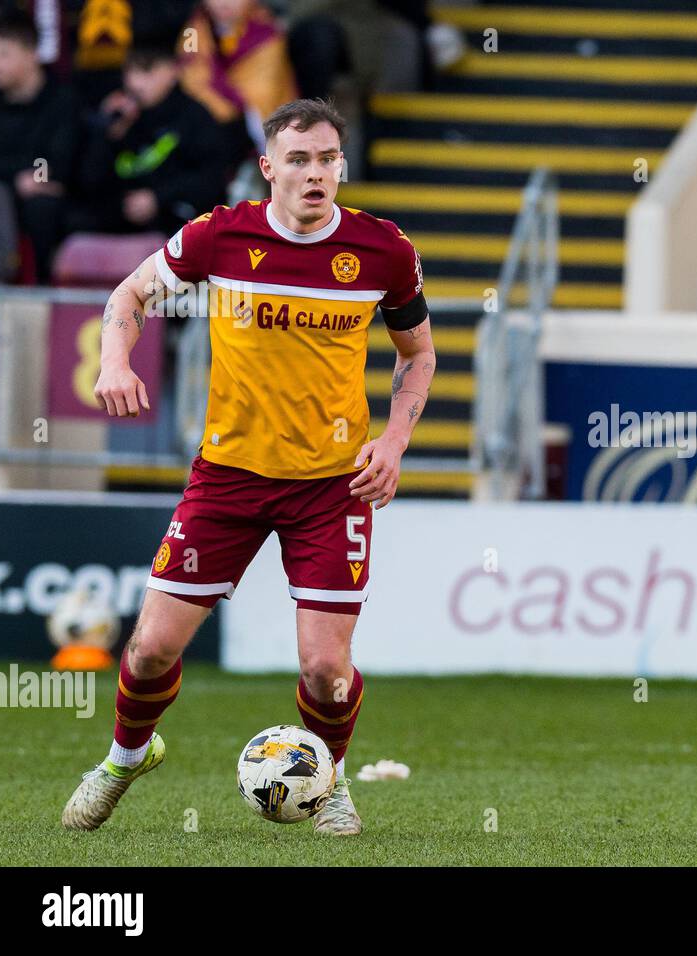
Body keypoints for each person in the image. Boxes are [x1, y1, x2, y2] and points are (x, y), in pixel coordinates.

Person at [61, 98, 437, 835]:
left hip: (332, 486)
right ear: (269, 169)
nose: (315, 173)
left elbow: (418, 353)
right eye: (298, 160)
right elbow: (130, 294)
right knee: (146, 652)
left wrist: (392, 440)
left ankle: (327, 784)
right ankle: (123, 759)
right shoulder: (220, 237)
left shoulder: (383, 252)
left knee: (325, 671)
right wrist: (114, 360)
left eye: (328, 158)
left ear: (342, 166)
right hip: (228, 477)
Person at [72, 41, 228, 236]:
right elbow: (89, 182)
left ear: (172, 71)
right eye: (130, 71)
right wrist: (107, 136)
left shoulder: (194, 116)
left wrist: (157, 198)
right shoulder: (120, 116)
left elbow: (210, 178)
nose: (135, 82)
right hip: (121, 218)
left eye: (146, 71)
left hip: (175, 217)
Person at [0, 11, 77, 282]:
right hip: (1, 190)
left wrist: (38, 176)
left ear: (32, 54)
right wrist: (17, 176)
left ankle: (43, 291)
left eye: (2, 54)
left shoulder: (63, 101)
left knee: (41, 205)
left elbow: (59, 161)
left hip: (52, 198)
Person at [180, 0, 297, 158]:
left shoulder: (266, 33)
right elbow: (191, 73)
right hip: (211, 116)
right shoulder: (193, 31)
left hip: (251, 119)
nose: (224, 3)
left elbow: (261, 95)